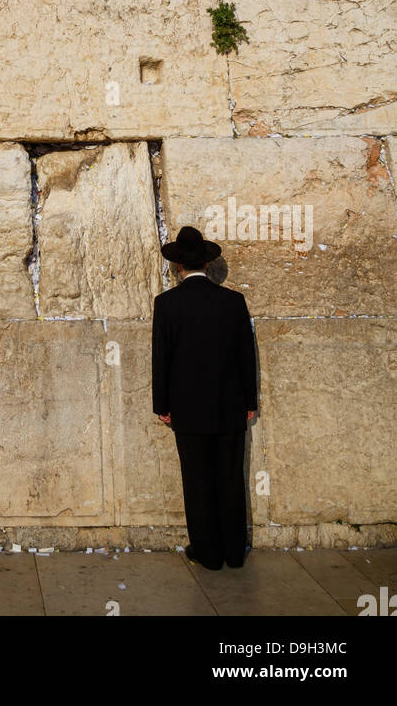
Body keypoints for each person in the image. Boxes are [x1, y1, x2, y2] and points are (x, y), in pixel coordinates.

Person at [151, 225, 258, 572]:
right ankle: (234, 552)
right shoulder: (233, 302)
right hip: (230, 406)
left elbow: (161, 357)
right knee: (230, 476)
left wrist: (161, 405)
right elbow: (246, 355)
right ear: (208, 266)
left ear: (178, 267)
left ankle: (208, 553)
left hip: (188, 409)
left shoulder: (167, 305)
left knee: (197, 480)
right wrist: (250, 402)